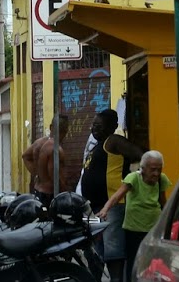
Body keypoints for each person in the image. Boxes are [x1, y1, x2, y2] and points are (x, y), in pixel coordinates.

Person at [99, 150, 171, 281]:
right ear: (143, 168)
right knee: (134, 264)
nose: (156, 173)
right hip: (134, 230)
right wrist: (105, 209)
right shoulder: (133, 178)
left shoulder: (161, 179)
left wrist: (168, 220)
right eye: (153, 169)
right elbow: (117, 196)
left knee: (154, 263)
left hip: (153, 230)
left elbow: (163, 202)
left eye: (159, 169)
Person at [79, 111, 123, 282]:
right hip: (94, 206)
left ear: (112, 127)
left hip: (109, 205)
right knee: (96, 248)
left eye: (99, 126)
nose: (94, 129)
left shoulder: (114, 141)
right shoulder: (97, 145)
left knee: (112, 250)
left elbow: (140, 154)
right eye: (93, 125)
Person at [22, 115, 65, 203]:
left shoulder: (39, 143)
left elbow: (25, 156)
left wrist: (37, 174)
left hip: (38, 190)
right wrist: (64, 190)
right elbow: (53, 173)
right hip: (49, 193)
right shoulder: (56, 149)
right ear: (66, 131)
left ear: (51, 127)